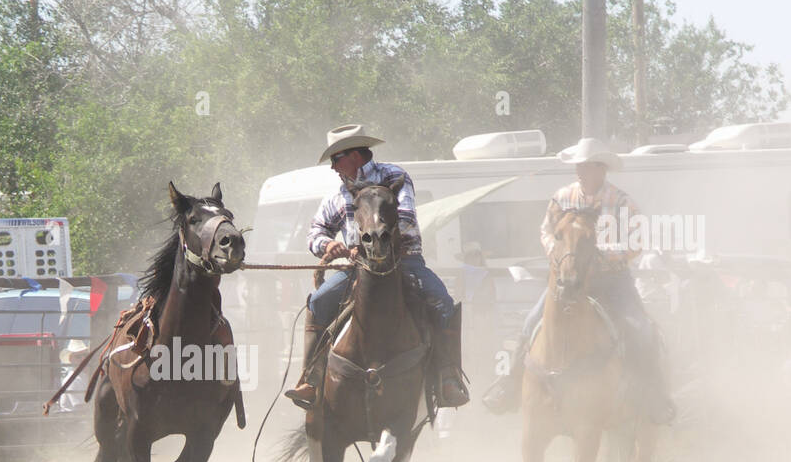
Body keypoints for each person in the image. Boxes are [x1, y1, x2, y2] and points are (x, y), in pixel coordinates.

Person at [481, 137, 675, 423]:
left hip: (612, 281)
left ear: (601, 169)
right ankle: (510, 386)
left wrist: (601, 256)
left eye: (585, 166)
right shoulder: (562, 198)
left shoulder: (622, 202)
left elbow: (637, 243)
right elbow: (546, 231)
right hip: (568, 279)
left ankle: (653, 395)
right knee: (531, 322)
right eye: (578, 167)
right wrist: (560, 254)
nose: (579, 172)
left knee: (641, 327)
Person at [283, 124, 468, 410]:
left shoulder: (394, 177)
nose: (333, 168)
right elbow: (316, 231)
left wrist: (367, 242)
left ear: (354, 156)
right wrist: (326, 245)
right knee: (319, 302)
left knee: (442, 301)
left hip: (404, 261)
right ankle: (311, 377)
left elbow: (404, 218)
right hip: (359, 269)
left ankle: (448, 376)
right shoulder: (339, 194)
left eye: (336, 160)